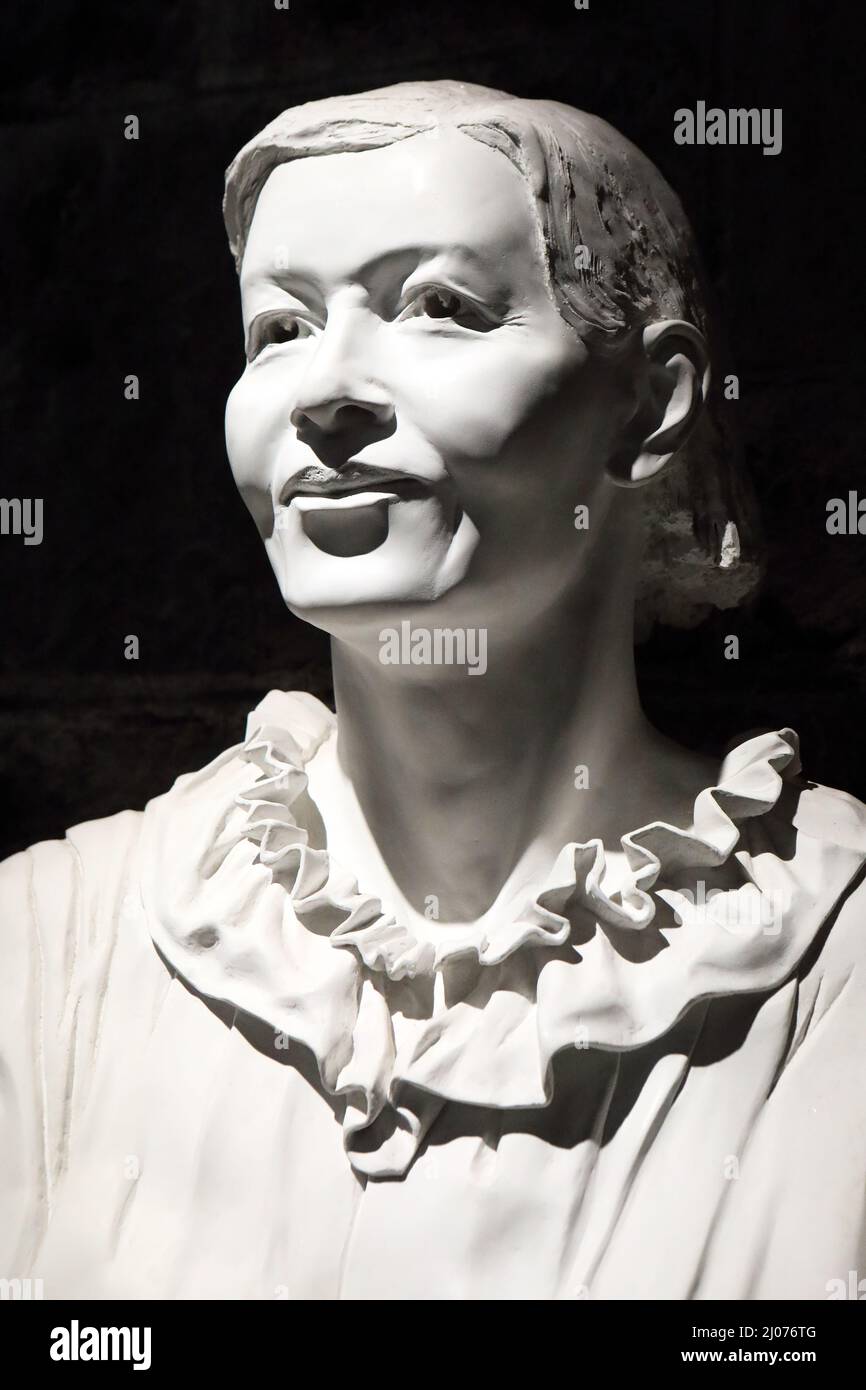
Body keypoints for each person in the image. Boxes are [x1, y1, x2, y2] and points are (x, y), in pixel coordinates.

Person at [2, 81, 864, 1300]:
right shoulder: (50, 951)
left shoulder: (834, 975)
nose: (325, 392)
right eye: (280, 331)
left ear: (649, 404)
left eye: (438, 307)